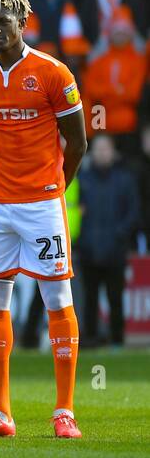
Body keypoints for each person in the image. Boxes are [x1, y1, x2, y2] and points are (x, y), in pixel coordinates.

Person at [0, 0, 88, 439]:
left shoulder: (52, 72)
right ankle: (0, 414)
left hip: (41, 204)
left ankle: (64, 411)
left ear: (22, 23)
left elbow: (78, 141)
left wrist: (54, 186)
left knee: (57, 298)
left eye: (1, 23)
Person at [76, 134, 138, 347]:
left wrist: (119, 234)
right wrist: (81, 239)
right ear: (91, 152)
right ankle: (91, 339)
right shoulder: (82, 180)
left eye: (106, 148)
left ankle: (117, 339)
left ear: (113, 152)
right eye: (98, 148)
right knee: (90, 298)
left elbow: (133, 211)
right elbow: (74, 211)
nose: (102, 152)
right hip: (89, 250)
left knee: (115, 298)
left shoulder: (124, 179)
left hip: (115, 250)